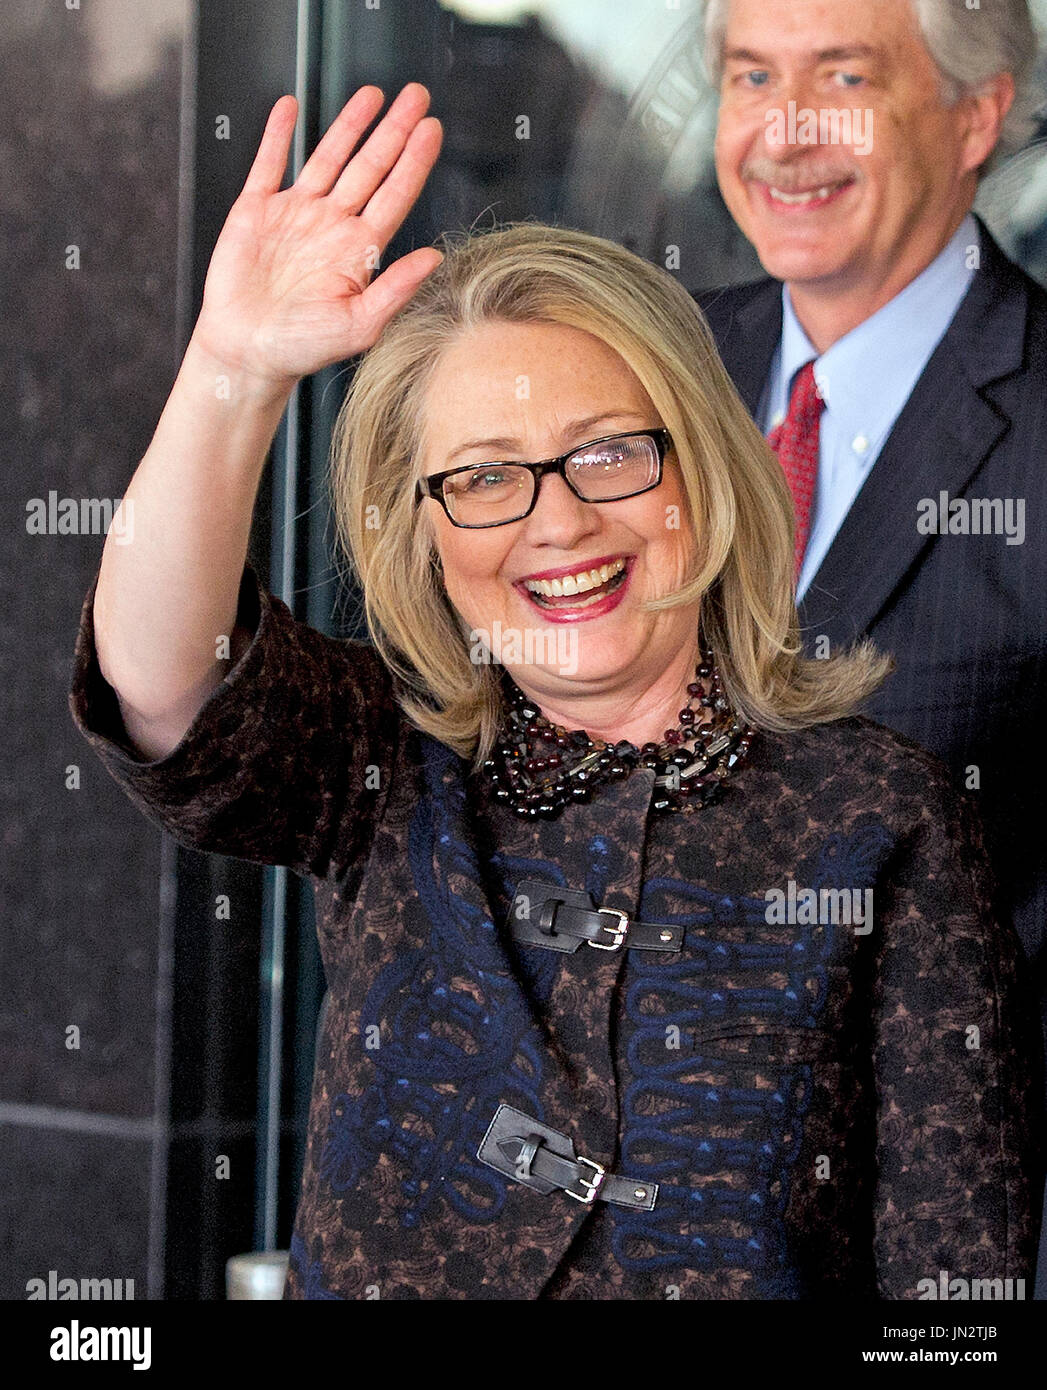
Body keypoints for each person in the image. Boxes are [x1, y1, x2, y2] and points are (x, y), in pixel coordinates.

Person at [69, 84, 1042, 1300]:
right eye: (482, 478)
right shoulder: (383, 760)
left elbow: (958, 1289)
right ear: (422, 534)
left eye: (609, 452)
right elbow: (157, 680)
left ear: (704, 464)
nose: (559, 521)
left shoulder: (886, 816)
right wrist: (233, 367)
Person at [695, 0, 1047, 1087]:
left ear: (976, 115)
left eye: (844, 82)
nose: (786, 133)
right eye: (753, 79)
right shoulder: (645, 371)